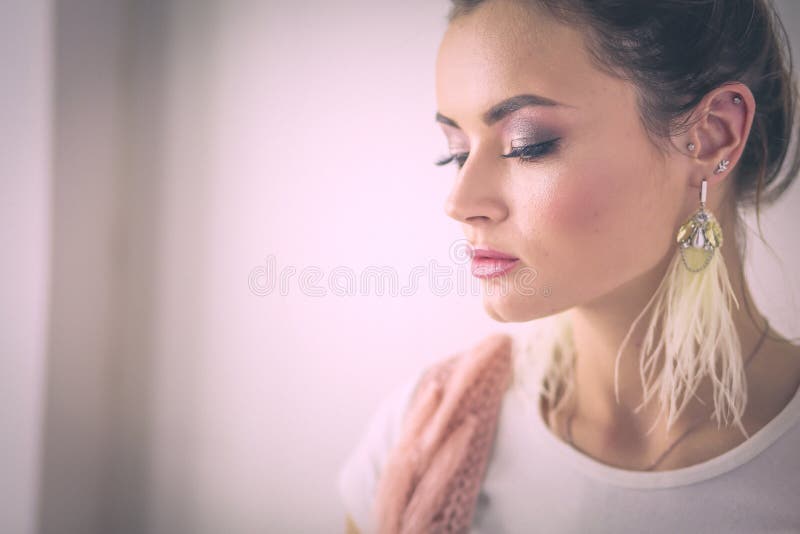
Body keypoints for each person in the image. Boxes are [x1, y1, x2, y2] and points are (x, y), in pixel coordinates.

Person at [338, 0, 800, 532]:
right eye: (457, 152)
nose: (460, 201)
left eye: (527, 145)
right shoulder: (419, 437)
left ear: (713, 135)